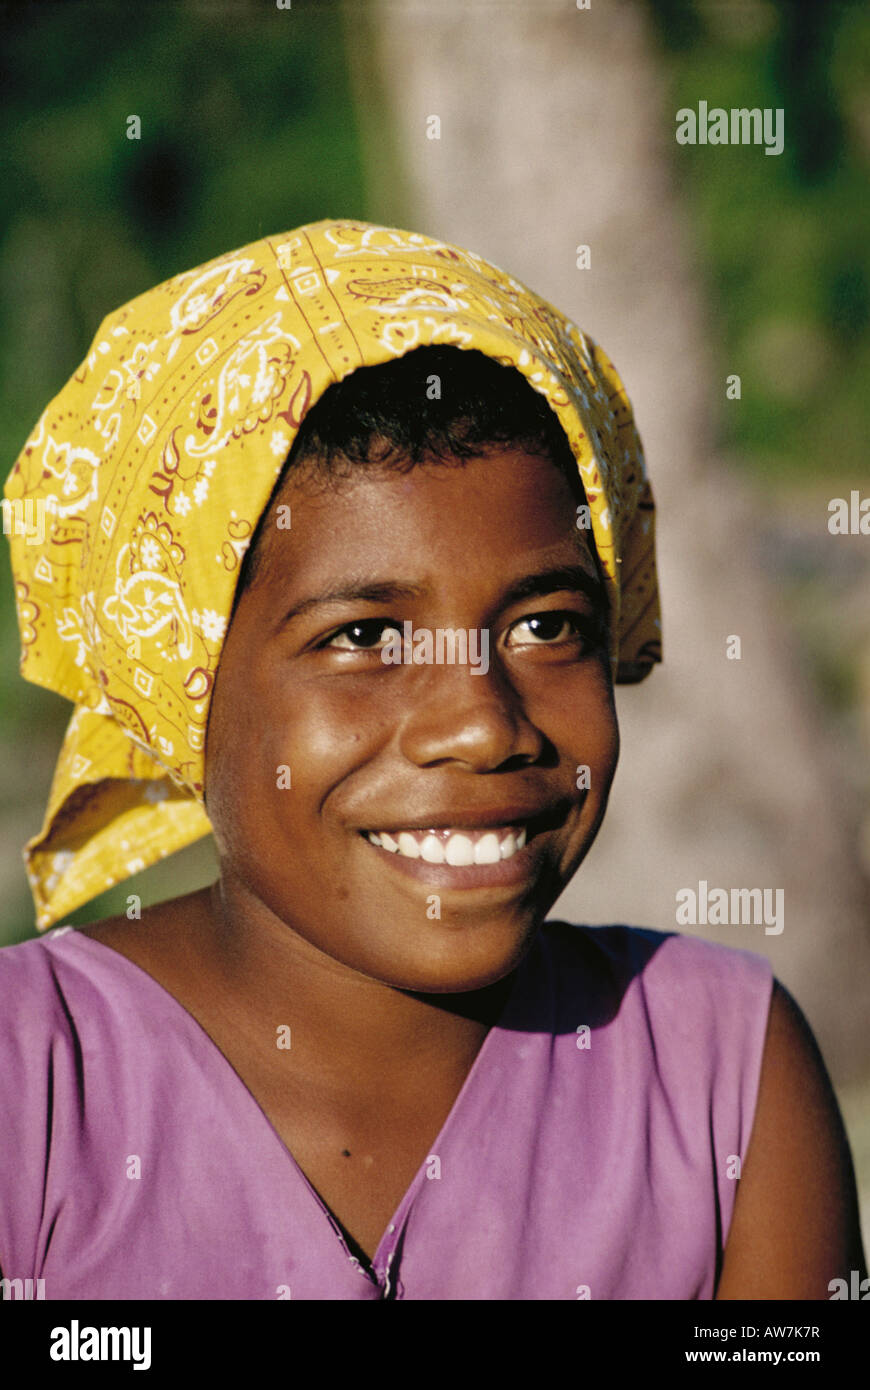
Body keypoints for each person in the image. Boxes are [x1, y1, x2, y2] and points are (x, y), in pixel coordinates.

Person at [0, 220, 864, 1300]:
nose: (484, 724)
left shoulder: (721, 1071)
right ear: (181, 682)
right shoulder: (30, 1085)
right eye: (364, 637)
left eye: (547, 626)